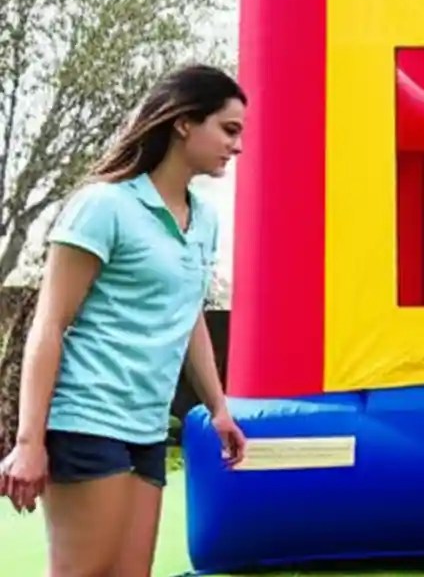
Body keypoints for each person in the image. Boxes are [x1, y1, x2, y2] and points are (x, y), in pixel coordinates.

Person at [0, 64, 249, 576]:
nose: (238, 146)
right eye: (228, 129)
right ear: (184, 122)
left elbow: (189, 317)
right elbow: (50, 323)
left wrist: (219, 408)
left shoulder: (204, 220)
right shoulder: (104, 205)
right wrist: (28, 442)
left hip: (148, 427)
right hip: (87, 419)